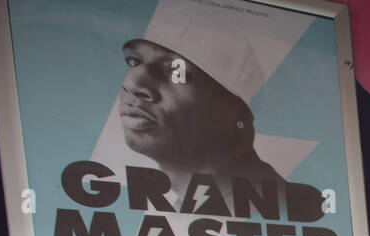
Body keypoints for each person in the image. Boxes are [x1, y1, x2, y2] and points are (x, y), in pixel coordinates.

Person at [118, 33, 288, 203]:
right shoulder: (195, 207)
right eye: (134, 61)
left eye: (177, 72)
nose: (132, 84)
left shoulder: (276, 207)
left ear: (236, 113)